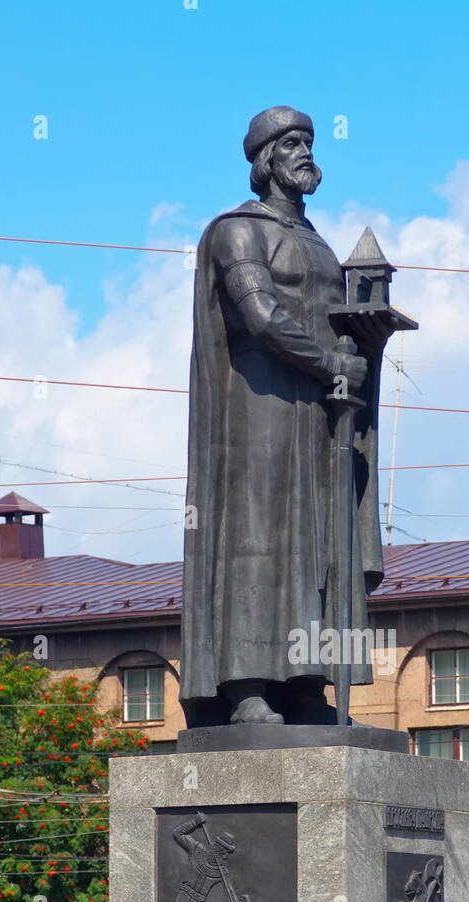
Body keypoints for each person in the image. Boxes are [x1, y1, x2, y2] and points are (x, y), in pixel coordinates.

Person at [180, 106, 393, 728]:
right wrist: (329, 361)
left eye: (309, 142)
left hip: (321, 417)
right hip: (259, 409)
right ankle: (248, 687)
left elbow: (344, 323)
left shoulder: (322, 245)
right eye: (292, 143)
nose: (305, 152)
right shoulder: (236, 232)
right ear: (265, 157)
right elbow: (258, 312)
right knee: (260, 538)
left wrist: (367, 341)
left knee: (320, 544)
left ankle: (306, 684)